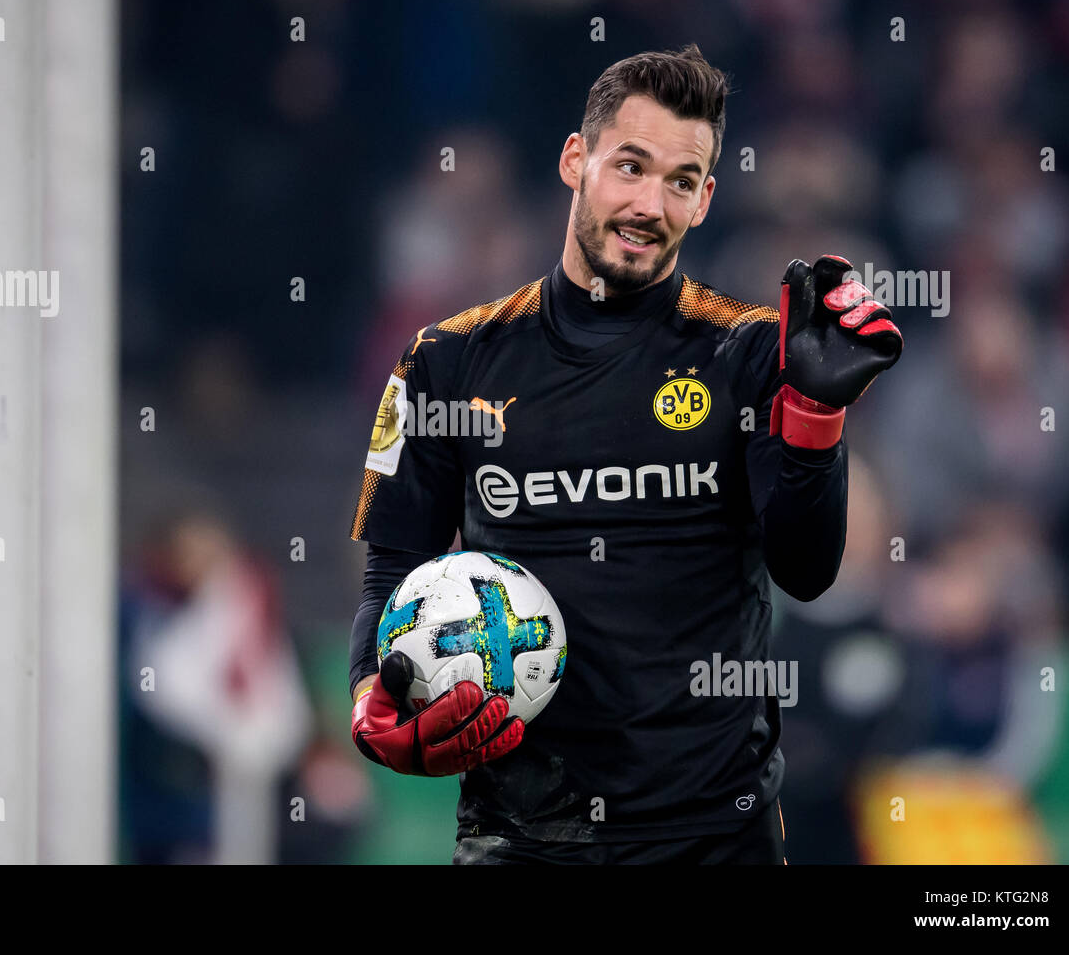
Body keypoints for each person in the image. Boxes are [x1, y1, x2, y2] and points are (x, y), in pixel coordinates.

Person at [347, 46, 902, 864]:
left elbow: (807, 571)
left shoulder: (749, 353)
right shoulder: (447, 361)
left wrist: (815, 418)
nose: (651, 202)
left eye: (681, 180)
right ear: (577, 160)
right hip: (521, 837)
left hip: (715, 835)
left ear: (706, 199)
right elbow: (390, 566)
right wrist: (371, 697)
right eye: (630, 166)